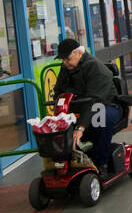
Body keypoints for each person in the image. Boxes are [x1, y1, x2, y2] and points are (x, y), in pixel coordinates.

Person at [53, 38, 124, 175]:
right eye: (62, 60)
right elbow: (58, 91)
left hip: (107, 105)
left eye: (67, 59)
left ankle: (100, 164)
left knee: (101, 119)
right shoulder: (67, 67)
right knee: (57, 128)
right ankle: (71, 160)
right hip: (80, 107)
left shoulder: (96, 68)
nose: (64, 62)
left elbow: (95, 101)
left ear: (79, 53)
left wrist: (80, 127)